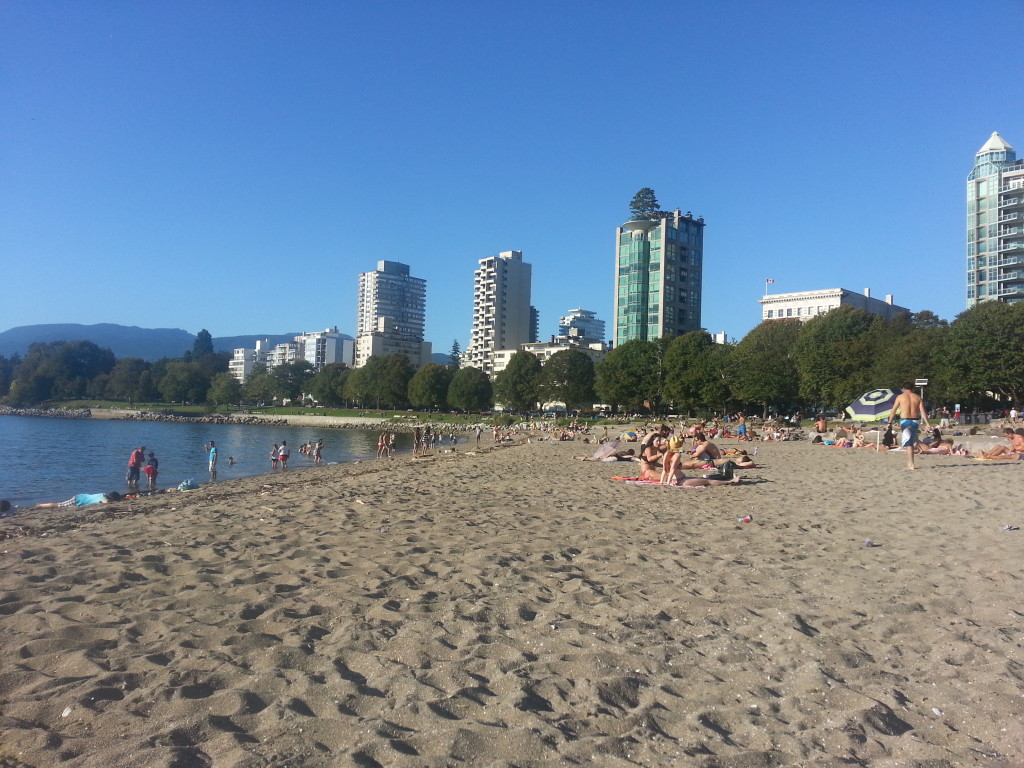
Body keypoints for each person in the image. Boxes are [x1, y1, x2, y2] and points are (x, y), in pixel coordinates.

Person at [889, 383, 931, 470]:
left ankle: (911, 464)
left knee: (909, 443)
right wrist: (927, 424)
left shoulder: (900, 397)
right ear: (912, 388)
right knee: (912, 440)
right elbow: (923, 412)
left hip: (905, 421)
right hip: (915, 421)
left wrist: (889, 422)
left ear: (903, 388)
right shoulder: (918, 397)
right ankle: (910, 462)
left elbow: (893, 411)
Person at [34, 492, 122, 509]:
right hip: (78, 500)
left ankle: (40, 505)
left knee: (61, 505)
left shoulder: (103, 494)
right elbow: (106, 502)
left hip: (81, 496)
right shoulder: (104, 499)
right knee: (60, 505)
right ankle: (40, 505)